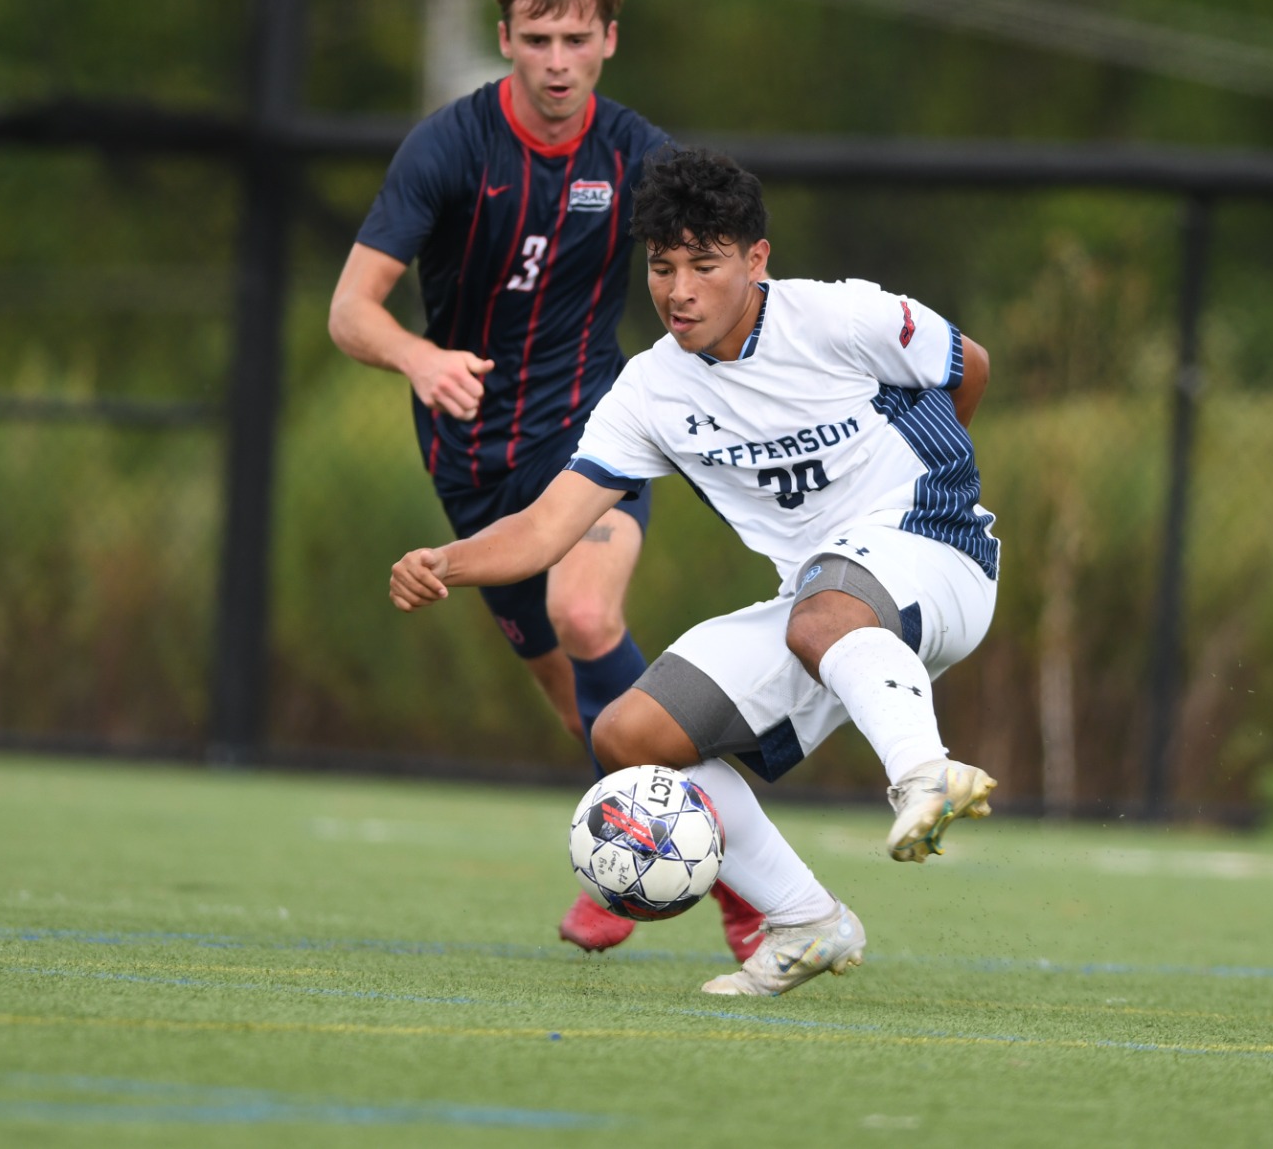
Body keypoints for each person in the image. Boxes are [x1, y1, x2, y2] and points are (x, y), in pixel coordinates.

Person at [389, 146, 1002, 996]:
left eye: (704, 265)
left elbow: (967, 367)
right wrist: (444, 562)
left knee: (823, 610)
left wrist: (929, 480)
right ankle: (806, 919)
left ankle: (923, 772)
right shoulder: (650, 391)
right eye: (662, 266)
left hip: (939, 555)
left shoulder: (841, 317)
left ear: (757, 260)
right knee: (630, 739)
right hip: (822, 605)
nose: (679, 290)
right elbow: (544, 528)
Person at [329, 0, 762, 958]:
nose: (557, 61)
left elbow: (722, 261)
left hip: (592, 429)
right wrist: (420, 360)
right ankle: (702, 853)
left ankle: (729, 888)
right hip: (471, 461)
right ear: (504, 40)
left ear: (608, 40)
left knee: (581, 608)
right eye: (537, 39)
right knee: (590, 709)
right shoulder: (449, 147)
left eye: (576, 39)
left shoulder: (636, 155)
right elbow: (351, 311)